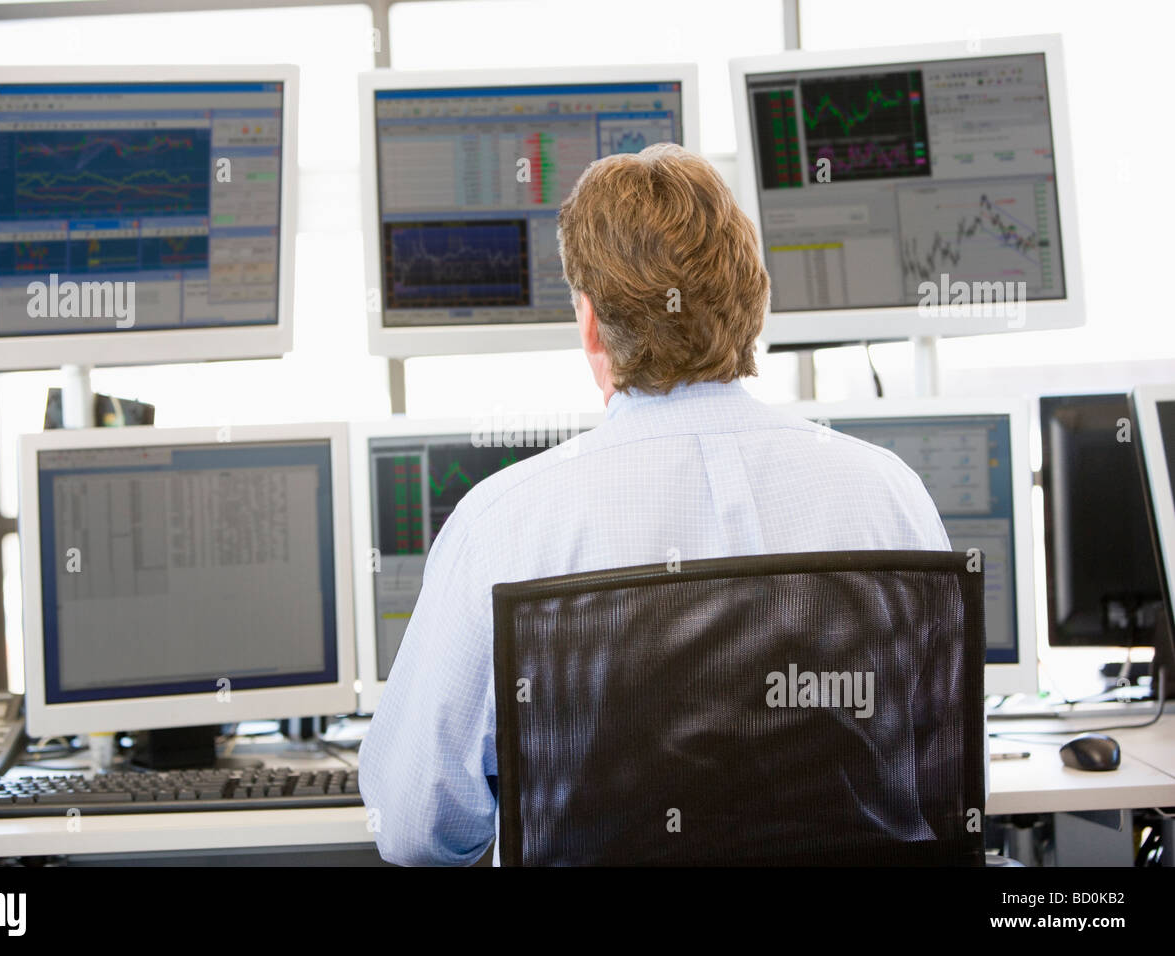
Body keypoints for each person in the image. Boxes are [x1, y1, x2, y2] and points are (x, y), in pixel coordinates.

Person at [358, 143, 950, 865]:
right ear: (752, 301)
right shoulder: (888, 492)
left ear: (590, 321)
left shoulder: (505, 523)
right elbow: (940, 776)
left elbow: (418, 827)